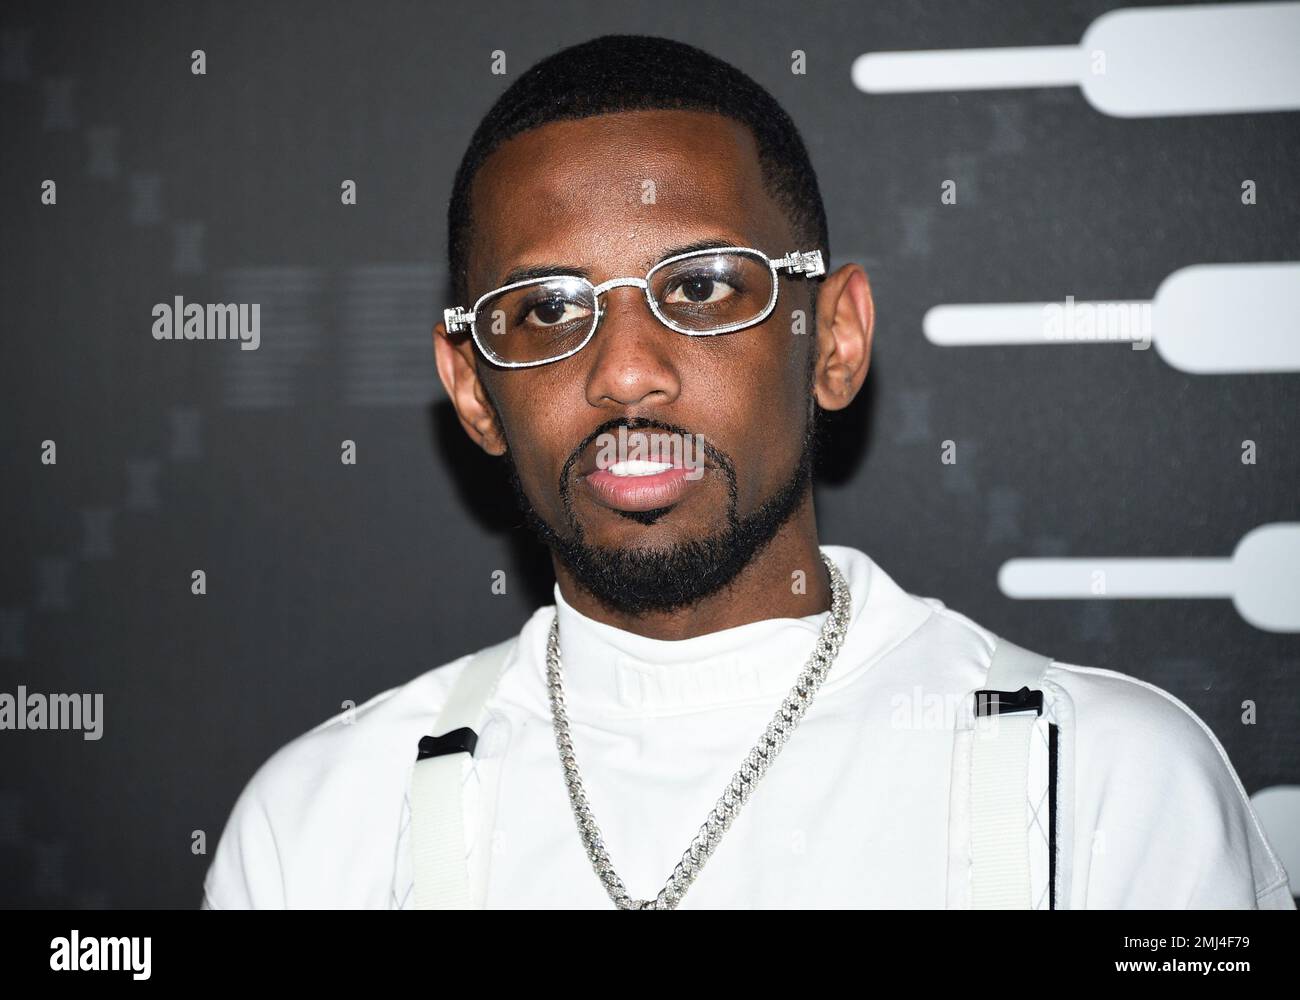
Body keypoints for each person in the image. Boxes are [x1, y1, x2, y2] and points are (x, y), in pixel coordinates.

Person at [201, 34, 1294, 910]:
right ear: (474, 389)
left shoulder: (1110, 786)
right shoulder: (320, 828)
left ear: (835, 339)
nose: (625, 371)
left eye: (705, 286)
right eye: (544, 311)